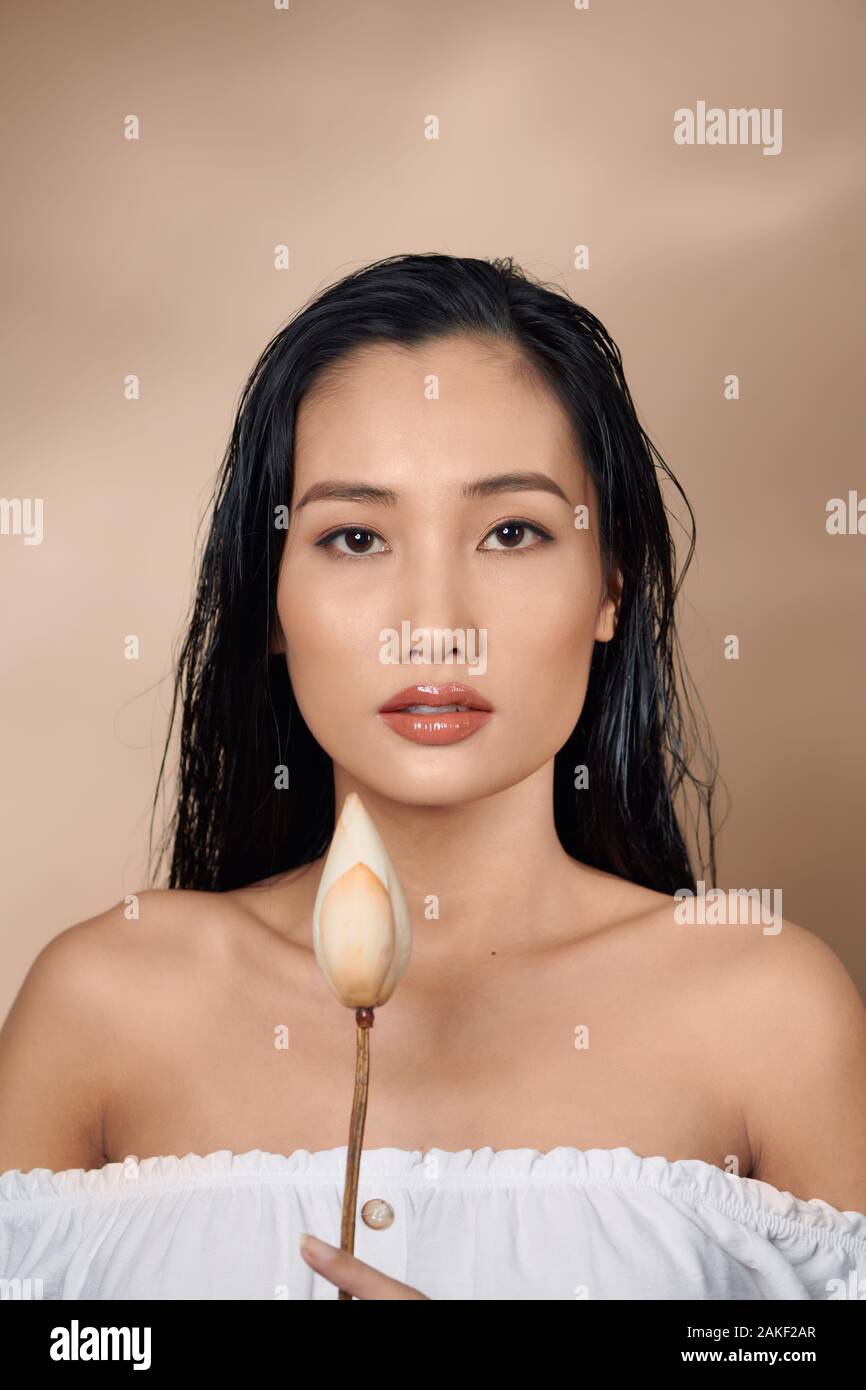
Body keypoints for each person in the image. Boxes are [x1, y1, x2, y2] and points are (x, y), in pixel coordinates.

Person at [1, 254, 864, 1300]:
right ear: (269, 600)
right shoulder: (102, 1002)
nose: (433, 625)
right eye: (354, 536)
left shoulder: (765, 1009)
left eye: (511, 532)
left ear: (609, 585)